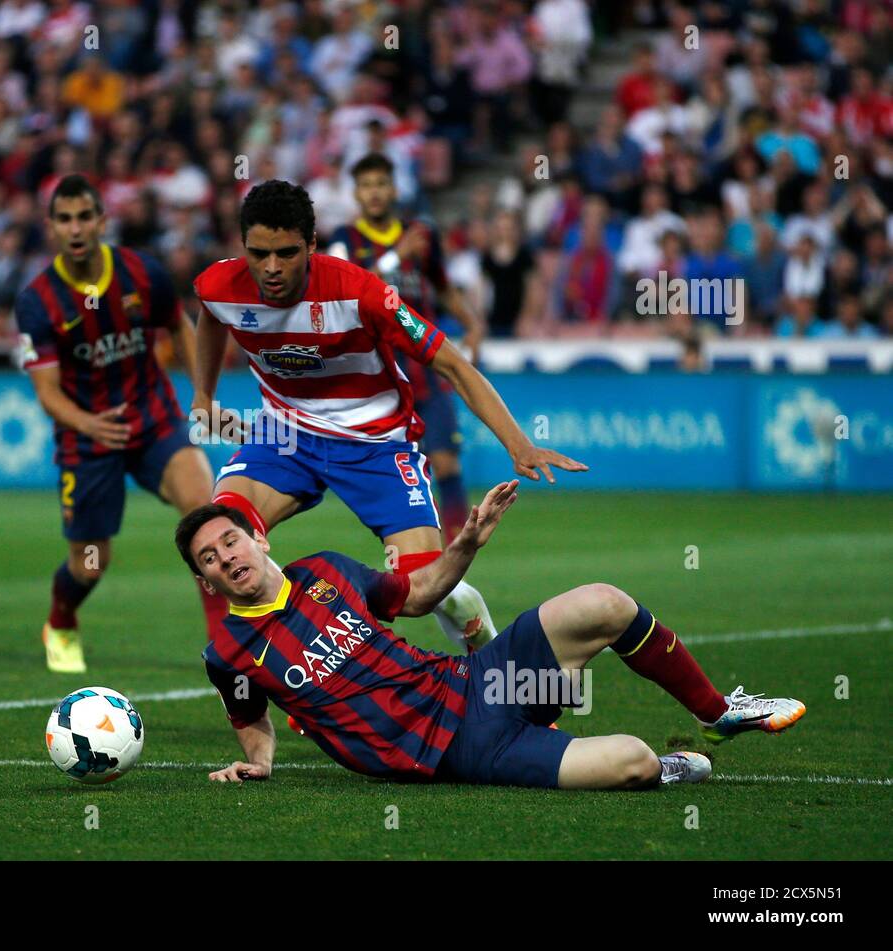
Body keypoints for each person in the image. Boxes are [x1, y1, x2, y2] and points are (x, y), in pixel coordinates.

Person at [175, 483, 807, 788]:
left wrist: (467, 543)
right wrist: (256, 764)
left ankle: (719, 711)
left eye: (230, 539)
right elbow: (249, 715)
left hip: (477, 683)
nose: (226, 557)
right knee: (635, 761)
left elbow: (419, 596)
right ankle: (657, 767)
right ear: (206, 581)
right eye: (209, 557)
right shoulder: (226, 652)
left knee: (604, 604)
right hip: (460, 753)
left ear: (259, 539)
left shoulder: (327, 569)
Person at [191, 180, 585, 657]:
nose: (271, 268)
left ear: (312, 246)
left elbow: (453, 365)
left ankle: (495, 670)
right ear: (243, 247)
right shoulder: (220, 285)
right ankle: (299, 679)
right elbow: (212, 316)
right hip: (284, 437)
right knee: (225, 535)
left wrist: (517, 444)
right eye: (258, 253)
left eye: (287, 253)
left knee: (425, 592)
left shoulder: (363, 294)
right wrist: (203, 394)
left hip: (375, 446)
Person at [14, 174, 224, 673]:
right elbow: (46, 392)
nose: (76, 227)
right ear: (51, 228)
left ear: (102, 221)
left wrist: (202, 391)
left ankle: (227, 649)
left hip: (154, 421)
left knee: (206, 513)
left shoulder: (140, 272)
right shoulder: (37, 302)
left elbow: (178, 323)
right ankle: (61, 618)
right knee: (91, 563)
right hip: (86, 441)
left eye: (84, 216)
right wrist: (89, 424)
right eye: (64, 219)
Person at [327, 152, 485, 543]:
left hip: (426, 369)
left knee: (446, 463)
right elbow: (343, 291)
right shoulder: (342, 240)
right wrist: (399, 256)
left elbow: (443, 288)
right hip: (378, 376)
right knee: (400, 470)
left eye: (381, 184)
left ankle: (459, 550)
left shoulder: (421, 236)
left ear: (395, 189)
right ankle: (413, 547)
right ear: (356, 194)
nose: (375, 193)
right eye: (366, 186)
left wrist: (472, 326)